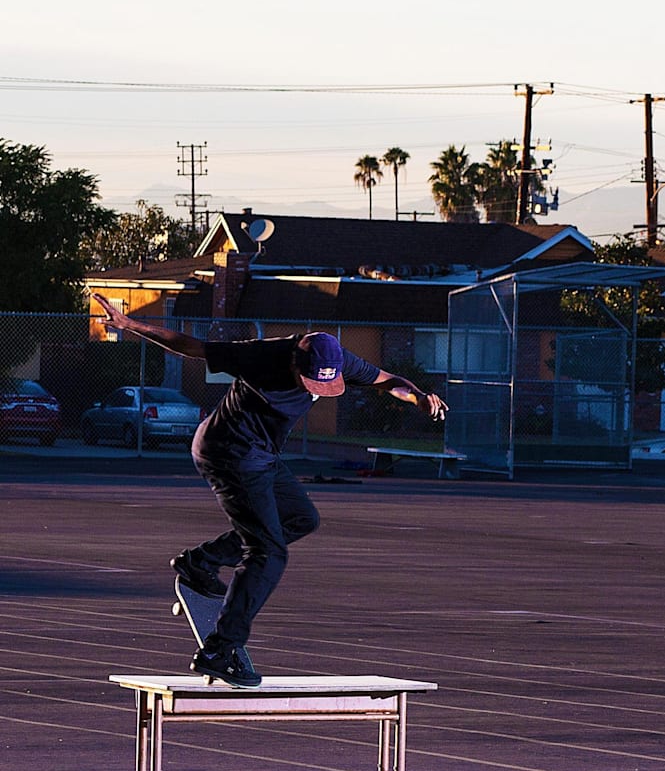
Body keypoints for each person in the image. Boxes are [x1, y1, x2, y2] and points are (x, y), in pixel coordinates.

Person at [92, 294, 448, 687]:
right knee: (267, 552)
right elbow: (191, 347)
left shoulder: (337, 357)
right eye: (309, 382)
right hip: (227, 452)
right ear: (296, 361)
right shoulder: (261, 355)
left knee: (301, 518)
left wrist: (416, 395)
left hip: (261, 456)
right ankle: (219, 651)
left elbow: (387, 381)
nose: (314, 389)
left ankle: (200, 562)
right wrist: (131, 325)